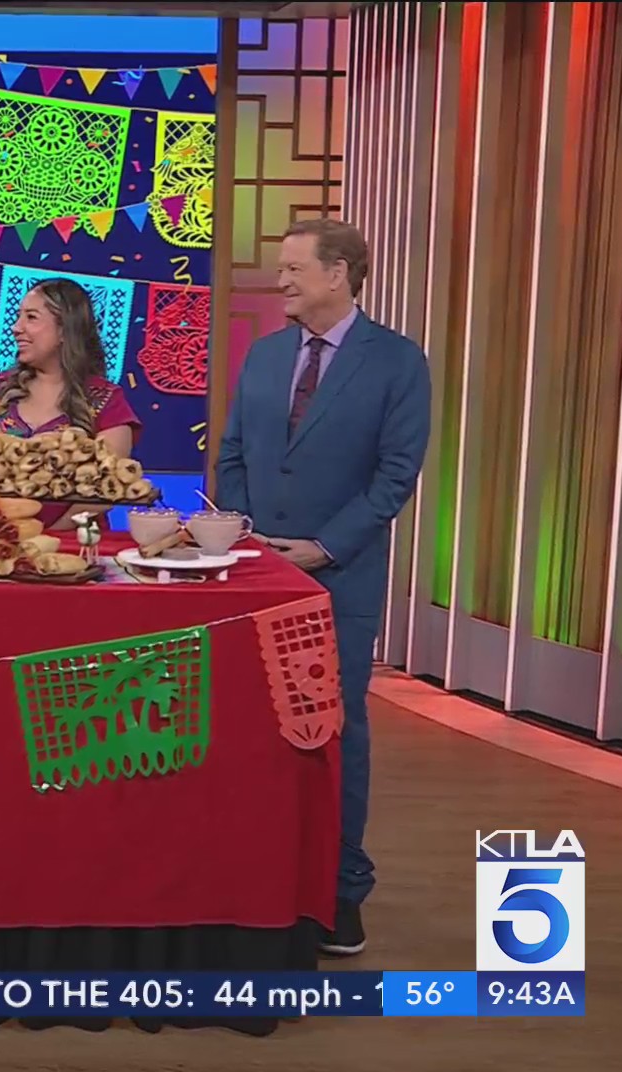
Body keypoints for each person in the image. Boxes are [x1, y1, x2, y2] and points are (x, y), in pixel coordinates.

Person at [215, 217, 431, 957]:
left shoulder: (398, 362)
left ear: (338, 274)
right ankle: (260, 876)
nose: (281, 282)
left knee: (334, 728)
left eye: (294, 269)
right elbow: (235, 452)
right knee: (253, 727)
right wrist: (241, 532)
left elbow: (395, 476)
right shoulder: (267, 356)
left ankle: (342, 890)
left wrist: (324, 546)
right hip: (253, 570)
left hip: (339, 576)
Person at [0, 279, 140, 527]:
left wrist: (47, 534)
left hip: (77, 549)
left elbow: (104, 488)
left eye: (31, 318)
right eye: (19, 317)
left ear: (65, 330)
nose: (16, 328)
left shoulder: (106, 400)